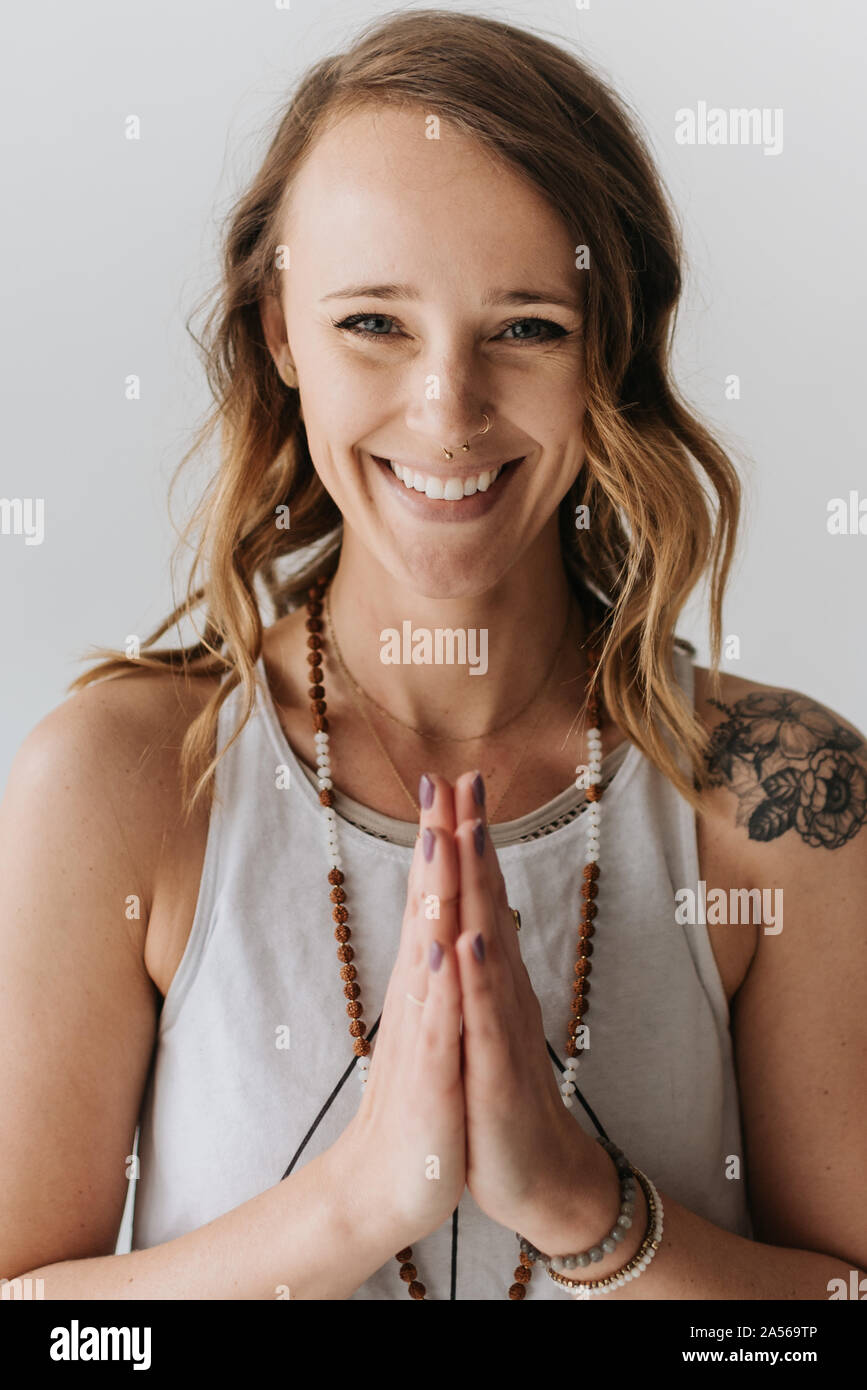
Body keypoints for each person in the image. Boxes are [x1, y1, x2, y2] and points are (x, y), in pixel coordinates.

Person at [1, 9, 865, 1301]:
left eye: (525, 326)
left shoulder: (787, 797)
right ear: (282, 332)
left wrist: (583, 1205)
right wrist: (354, 1204)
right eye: (373, 325)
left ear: (610, 343)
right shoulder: (123, 783)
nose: (447, 409)